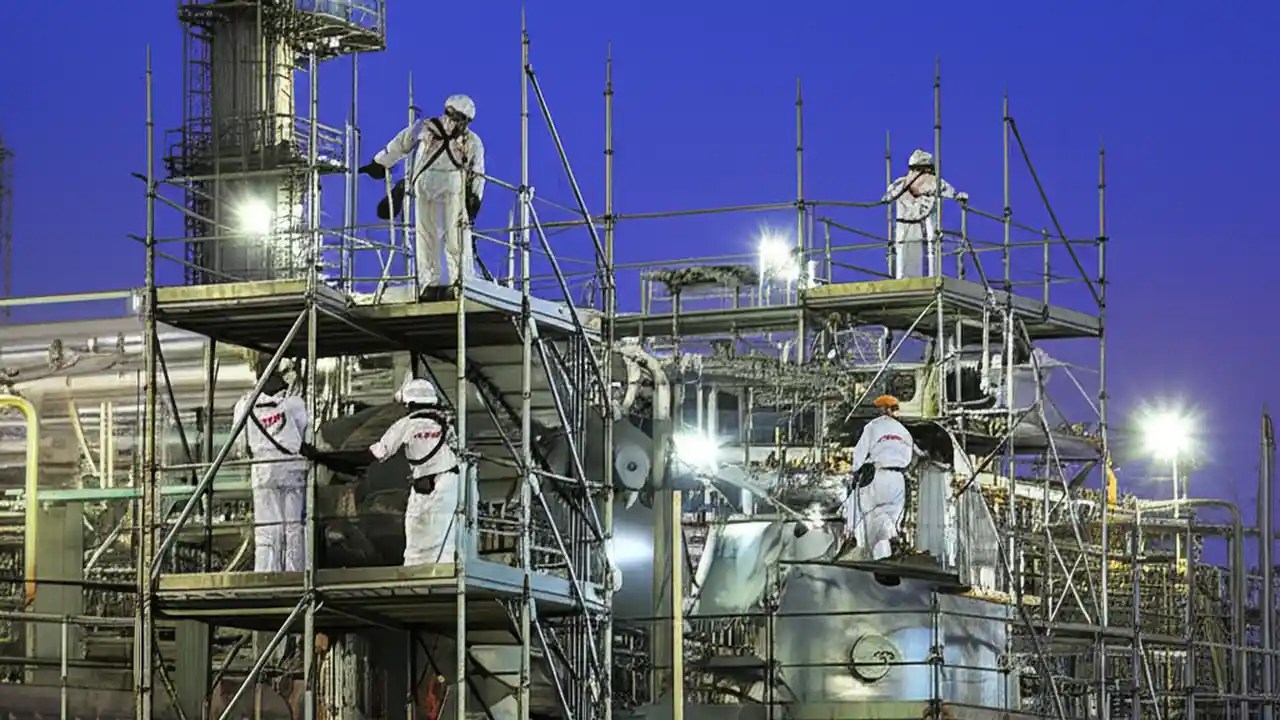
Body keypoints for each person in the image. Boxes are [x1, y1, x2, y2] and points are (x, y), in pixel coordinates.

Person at [359, 94, 486, 296]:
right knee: (426, 237)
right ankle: (429, 284)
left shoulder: (471, 141)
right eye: (452, 115)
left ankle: (459, 282)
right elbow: (400, 143)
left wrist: (475, 198)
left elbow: (477, 172)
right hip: (425, 189)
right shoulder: (425, 128)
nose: (454, 121)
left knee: (456, 238)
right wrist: (379, 163)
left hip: (452, 190)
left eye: (460, 118)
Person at [368, 378, 461, 566]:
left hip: (424, 485)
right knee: (444, 537)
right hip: (450, 483)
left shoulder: (407, 424)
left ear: (410, 403)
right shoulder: (447, 424)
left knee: (416, 538)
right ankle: (443, 573)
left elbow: (380, 452)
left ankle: (415, 573)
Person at [234, 372, 310, 573]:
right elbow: (305, 438)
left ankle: (266, 573)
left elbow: (240, 445)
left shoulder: (244, 406)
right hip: (293, 471)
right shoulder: (294, 404)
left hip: (262, 472)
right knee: (293, 527)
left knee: (267, 527)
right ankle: (295, 573)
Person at [844, 394, 918, 562]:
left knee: (863, 509)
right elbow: (909, 457)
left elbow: (860, 452)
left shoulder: (873, 426)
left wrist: (856, 471)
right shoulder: (904, 431)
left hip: (878, 475)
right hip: (898, 479)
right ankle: (891, 542)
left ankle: (855, 541)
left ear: (883, 410)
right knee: (890, 517)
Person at [882, 149, 968, 279]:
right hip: (905, 226)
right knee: (904, 253)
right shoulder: (899, 185)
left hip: (926, 225)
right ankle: (904, 278)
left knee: (931, 247)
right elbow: (886, 198)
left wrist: (958, 197)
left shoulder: (934, 183)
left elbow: (951, 193)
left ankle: (932, 275)